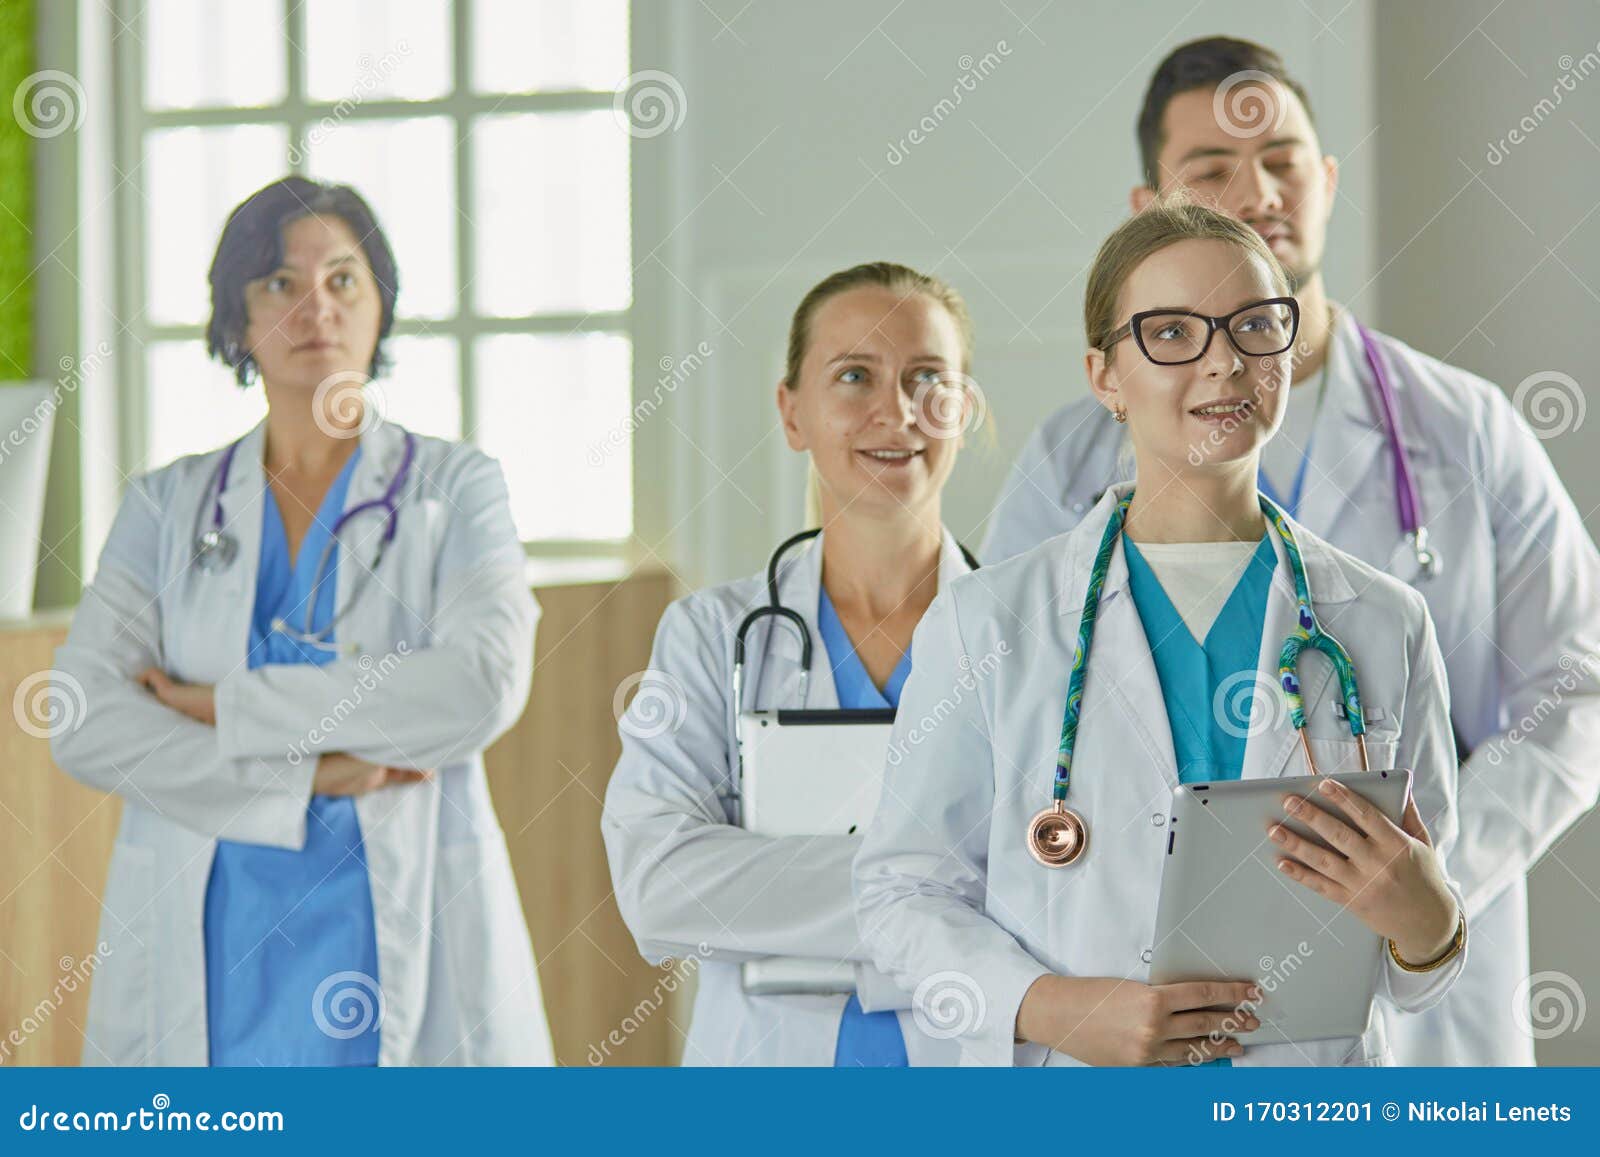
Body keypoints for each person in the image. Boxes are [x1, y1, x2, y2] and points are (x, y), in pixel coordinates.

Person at [980, 36, 1600, 1066]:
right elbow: (994, 719)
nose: (1257, 190)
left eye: (1281, 159)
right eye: (1212, 169)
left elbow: (1575, 691)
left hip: (1422, 1000)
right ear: (1151, 207)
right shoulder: (1071, 453)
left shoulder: (1465, 428)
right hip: (1139, 995)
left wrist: (1425, 871)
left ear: (1326, 178)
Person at [856, 198, 1466, 1067]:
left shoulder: (1380, 620)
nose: (1224, 360)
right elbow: (899, 895)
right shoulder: (990, 620)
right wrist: (1049, 1007)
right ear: (1106, 376)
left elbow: (1418, 961)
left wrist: (1429, 918)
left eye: (1256, 325)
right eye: (1172, 333)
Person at [51, 176, 552, 1066]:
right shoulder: (167, 505)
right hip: (214, 928)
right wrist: (310, 776)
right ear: (238, 320)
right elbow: (84, 719)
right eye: (278, 282)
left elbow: (479, 687)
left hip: (395, 912)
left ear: (379, 308)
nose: (314, 306)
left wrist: (227, 705)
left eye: (343, 279)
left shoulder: (455, 489)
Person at [602, 262, 985, 1065]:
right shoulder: (711, 634)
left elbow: (1068, 888)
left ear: (965, 408)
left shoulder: (1028, 636)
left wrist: (775, 892)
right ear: (792, 412)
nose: (897, 410)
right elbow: (660, 886)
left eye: (928, 378)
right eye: (855, 376)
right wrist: (935, 887)